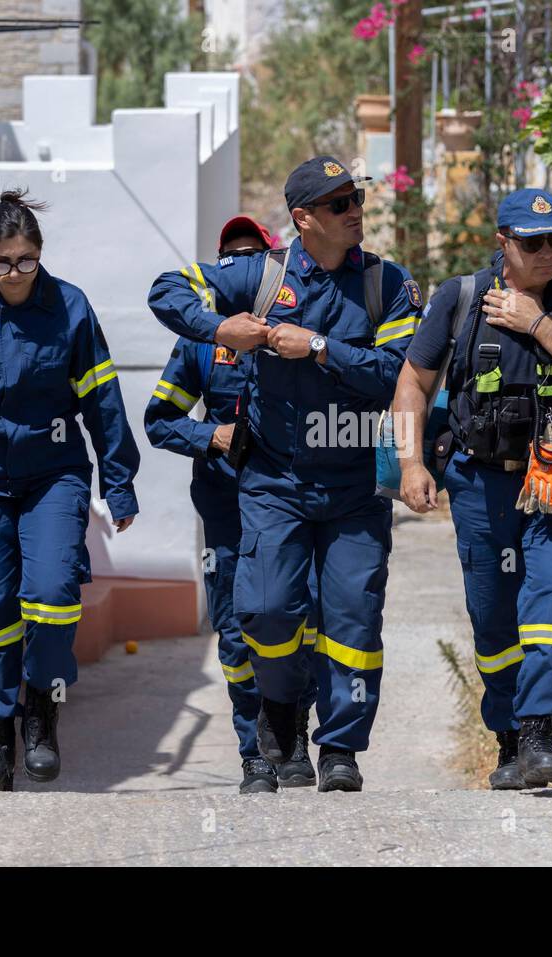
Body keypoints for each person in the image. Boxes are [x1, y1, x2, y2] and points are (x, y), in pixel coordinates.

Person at [147, 156, 422, 792]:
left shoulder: (388, 284)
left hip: (354, 485)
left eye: (356, 199)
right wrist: (220, 327)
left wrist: (320, 347)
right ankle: (282, 713)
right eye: (338, 204)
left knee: (352, 619)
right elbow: (166, 289)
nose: (355, 211)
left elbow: (398, 376)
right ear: (303, 220)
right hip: (273, 482)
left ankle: (341, 749)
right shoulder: (259, 276)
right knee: (267, 611)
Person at [391, 187, 552, 789]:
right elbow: (412, 385)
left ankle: (540, 733)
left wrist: (538, 323)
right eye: (533, 243)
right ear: (503, 242)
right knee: (494, 619)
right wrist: (411, 464)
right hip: (480, 485)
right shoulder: (461, 296)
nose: (548, 253)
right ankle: (506, 739)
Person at [0, 189, 141, 791]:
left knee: (52, 591)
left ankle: (40, 714)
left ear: (40, 254)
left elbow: (102, 402)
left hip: (52, 475)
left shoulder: (70, 309)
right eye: (2, 262)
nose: (14, 273)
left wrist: (119, 486)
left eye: (25, 260)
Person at [144, 214, 319, 795]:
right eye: (230, 257)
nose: (240, 268)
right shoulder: (198, 342)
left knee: (302, 623)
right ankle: (255, 756)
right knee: (239, 632)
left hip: (295, 503)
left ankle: (293, 736)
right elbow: (160, 421)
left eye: (252, 256)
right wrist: (212, 436)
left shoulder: (296, 328)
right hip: (227, 509)